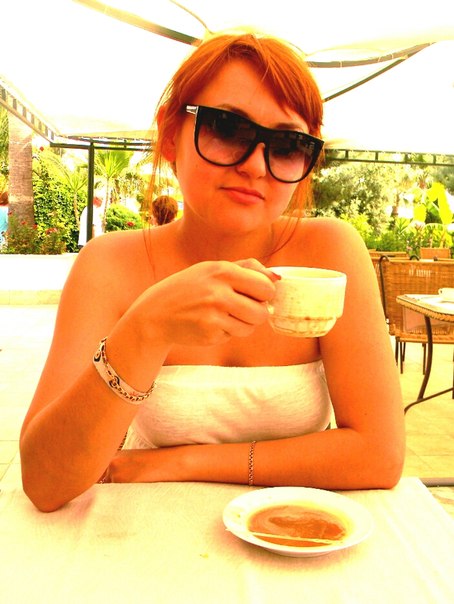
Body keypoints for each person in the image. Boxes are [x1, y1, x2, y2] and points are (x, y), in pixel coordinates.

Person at [20, 31, 405, 512]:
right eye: (227, 128)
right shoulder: (109, 264)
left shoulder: (329, 255)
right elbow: (44, 482)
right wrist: (144, 329)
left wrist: (180, 462)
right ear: (170, 135)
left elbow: (378, 455)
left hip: (294, 536)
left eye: (287, 144)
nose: (256, 166)